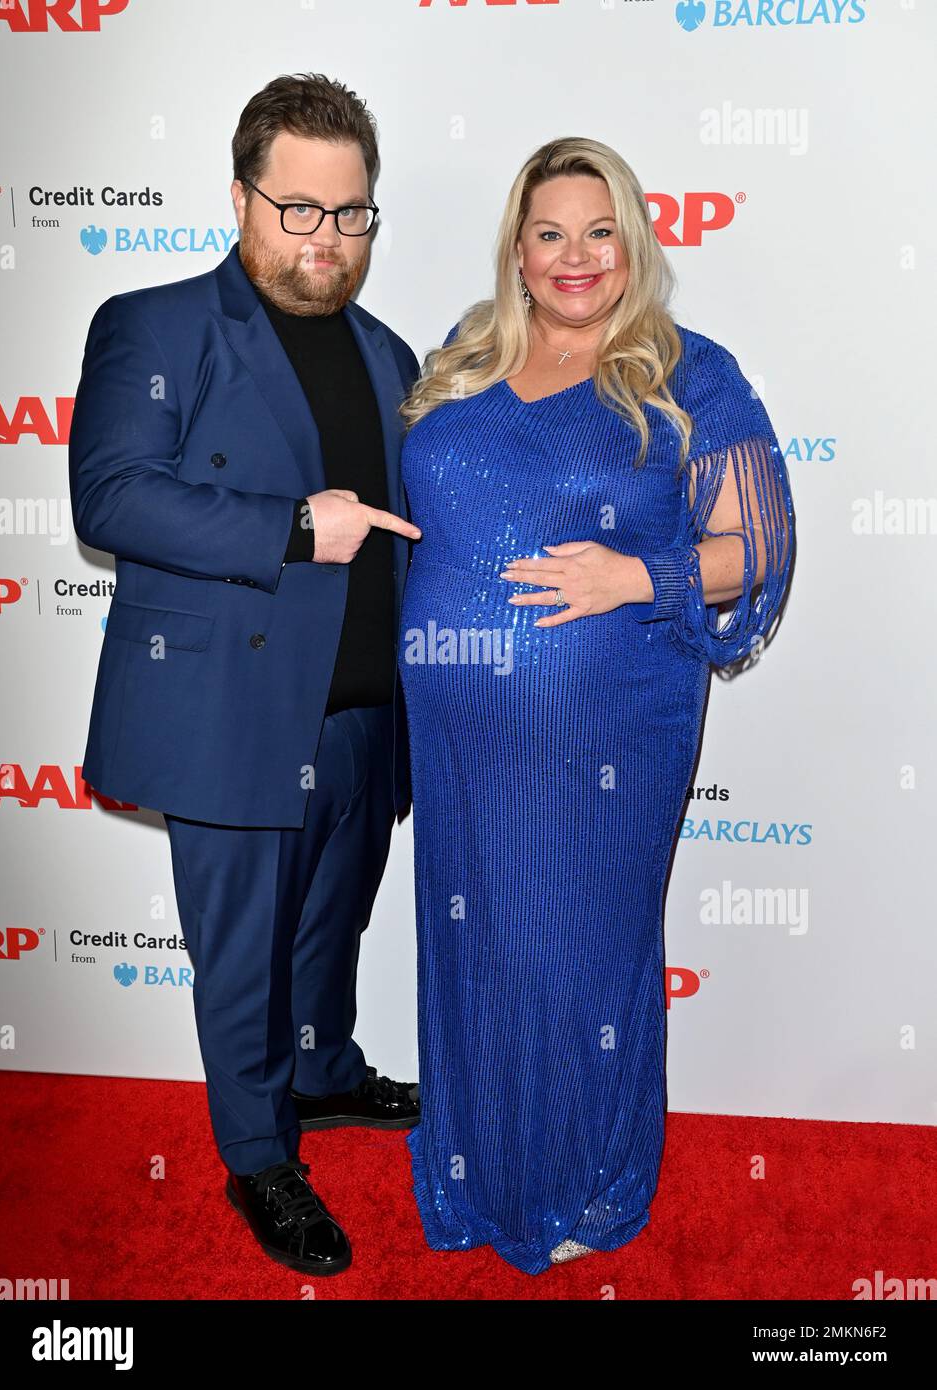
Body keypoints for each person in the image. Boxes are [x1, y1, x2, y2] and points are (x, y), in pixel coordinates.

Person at [396, 136, 796, 1275]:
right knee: (480, 953)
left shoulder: (686, 371)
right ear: (517, 252)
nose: (574, 257)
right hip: (462, 739)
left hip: (607, 736)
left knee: (578, 958)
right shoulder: (462, 360)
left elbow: (757, 543)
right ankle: (480, 1171)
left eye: (598, 230)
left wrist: (638, 576)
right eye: (548, 233)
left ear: (633, 242)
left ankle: (588, 1179)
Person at [68, 73, 423, 1278]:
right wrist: (287, 525)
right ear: (239, 196)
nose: (325, 240)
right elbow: (110, 493)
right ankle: (259, 1154)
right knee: (243, 955)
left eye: (350, 213)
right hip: (232, 714)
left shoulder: (389, 351)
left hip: (367, 709)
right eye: (298, 210)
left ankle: (321, 1073)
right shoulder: (155, 324)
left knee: (330, 927)